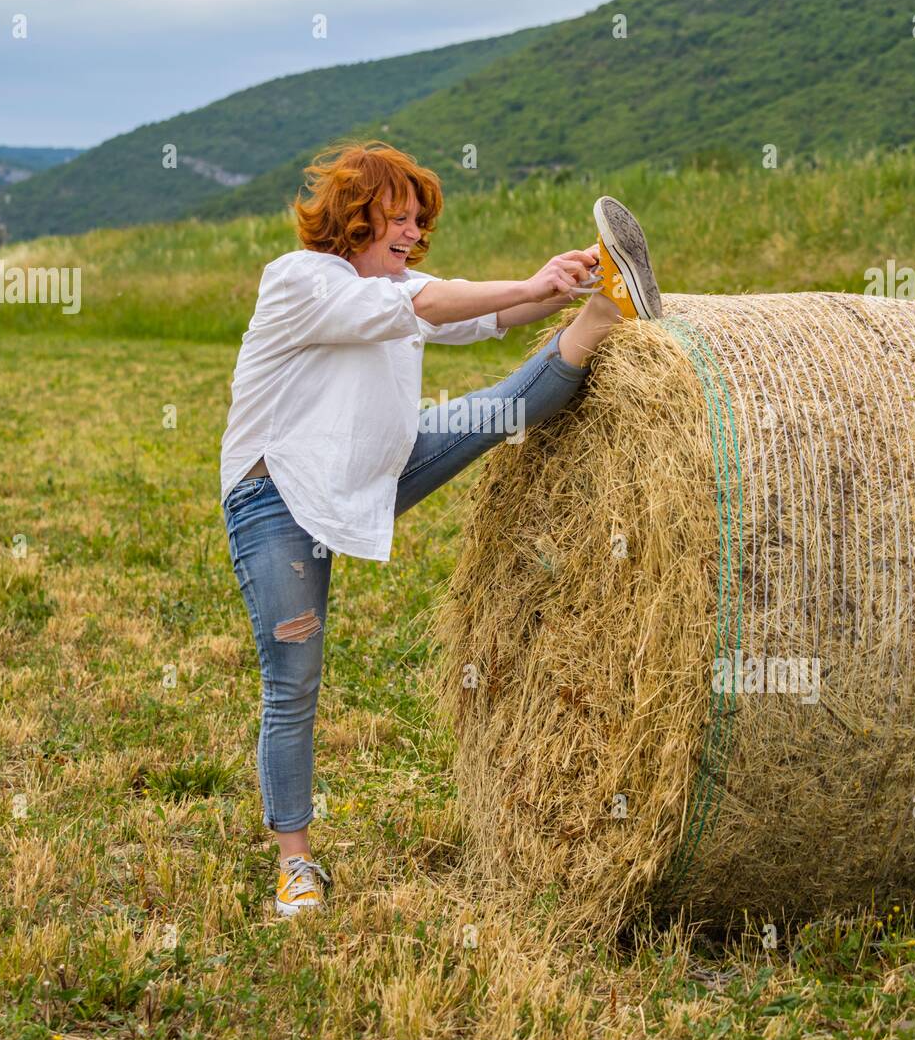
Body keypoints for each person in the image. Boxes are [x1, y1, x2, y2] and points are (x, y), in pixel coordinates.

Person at [219, 140, 662, 915]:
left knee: (500, 411)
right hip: (279, 497)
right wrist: (527, 281)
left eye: (420, 222)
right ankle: (295, 863)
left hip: (374, 473)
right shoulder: (301, 280)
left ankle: (601, 313)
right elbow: (425, 306)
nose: (413, 233)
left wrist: (560, 287)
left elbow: (484, 313)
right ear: (354, 215)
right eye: (399, 217)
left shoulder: (400, 283)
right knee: (293, 682)